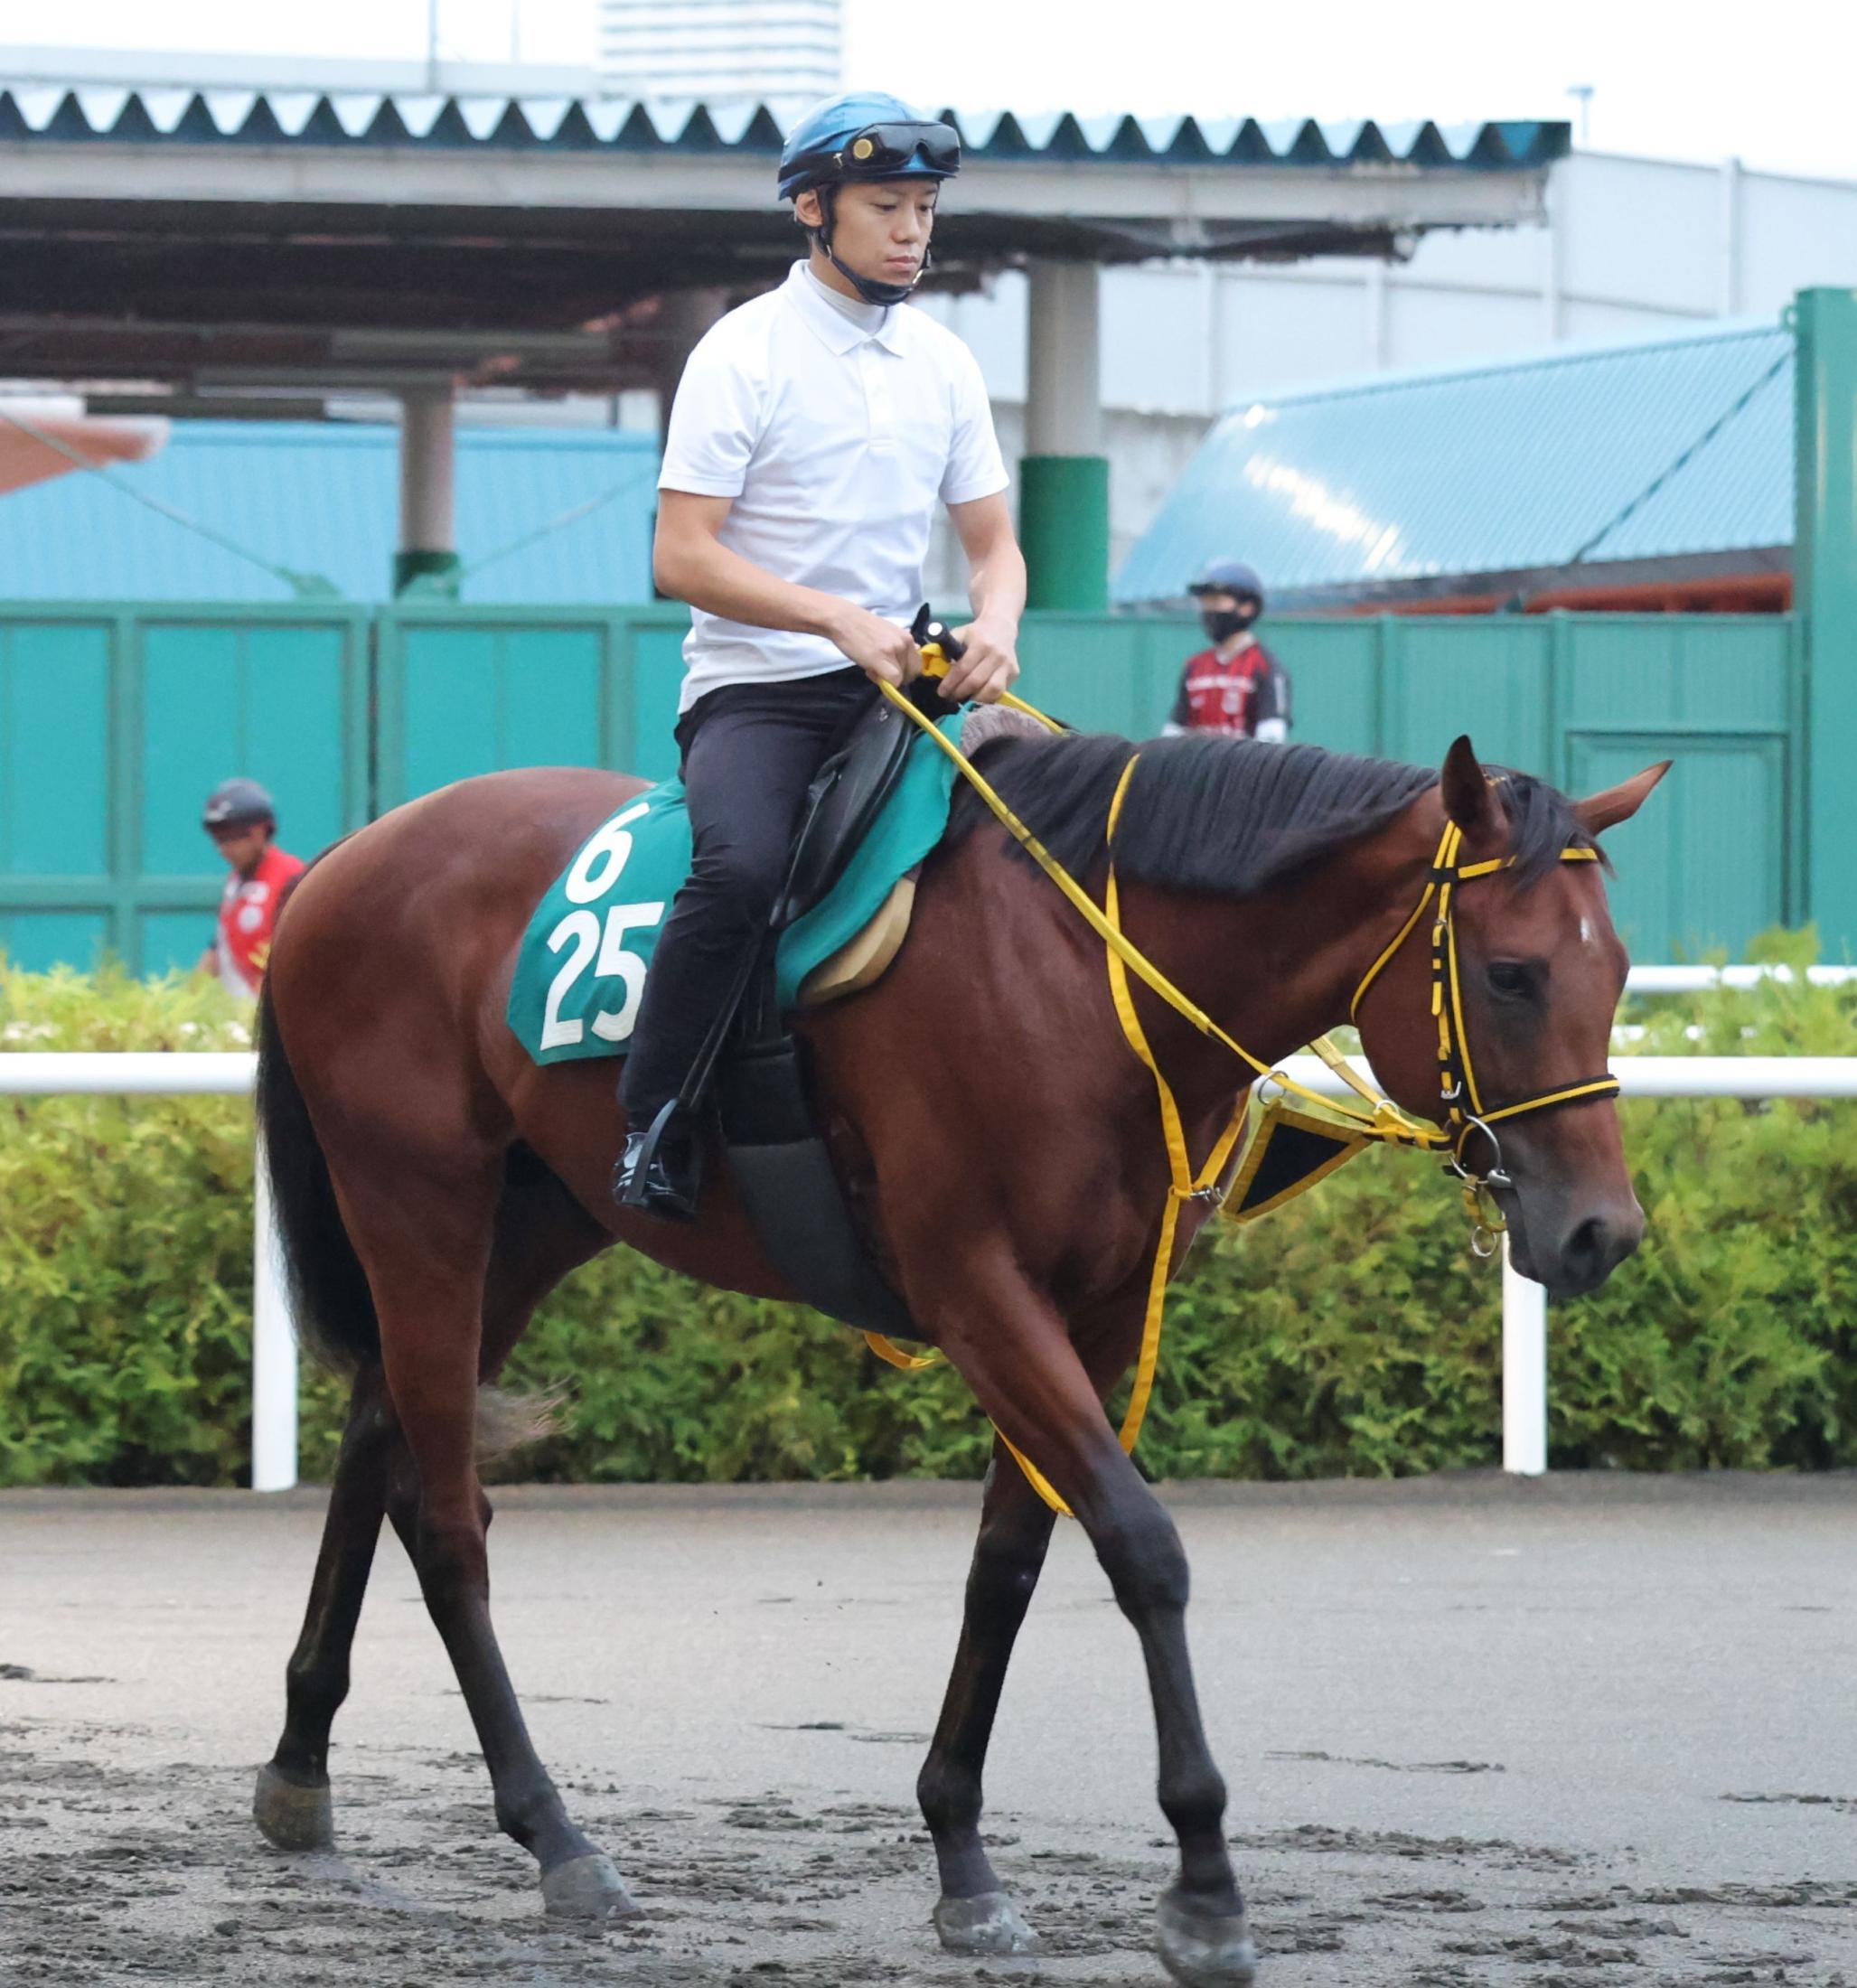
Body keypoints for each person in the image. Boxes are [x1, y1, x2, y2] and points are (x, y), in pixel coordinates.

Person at [614, 89, 1027, 1221]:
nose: (913, 233)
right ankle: (653, 1122)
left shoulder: (944, 362)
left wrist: (996, 627)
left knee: (1056, 832)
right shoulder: (740, 353)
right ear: (813, 209)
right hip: (760, 695)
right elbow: (681, 557)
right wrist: (834, 620)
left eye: (926, 209)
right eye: (886, 206)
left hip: (904, 683)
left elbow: (998, 549)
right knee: (740, 871)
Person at [194, 778, 305, 1001]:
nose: (222, 849)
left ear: (258, 834)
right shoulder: (235, 881)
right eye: (217, 840)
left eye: (229, 839)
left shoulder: (291, 879)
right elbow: (216, 950)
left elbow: (296, 961)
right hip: (241, 1015)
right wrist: (184, 1005)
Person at [1166, 558, 1291, 742]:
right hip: (1196, 770)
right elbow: (1172, 735)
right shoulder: (1194, 667)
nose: (1208, 610)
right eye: (1205, 603)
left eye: (1216, 601)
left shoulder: (1265, 666)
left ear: (1247, 607)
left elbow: (1272, 740)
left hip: (1246, 770)